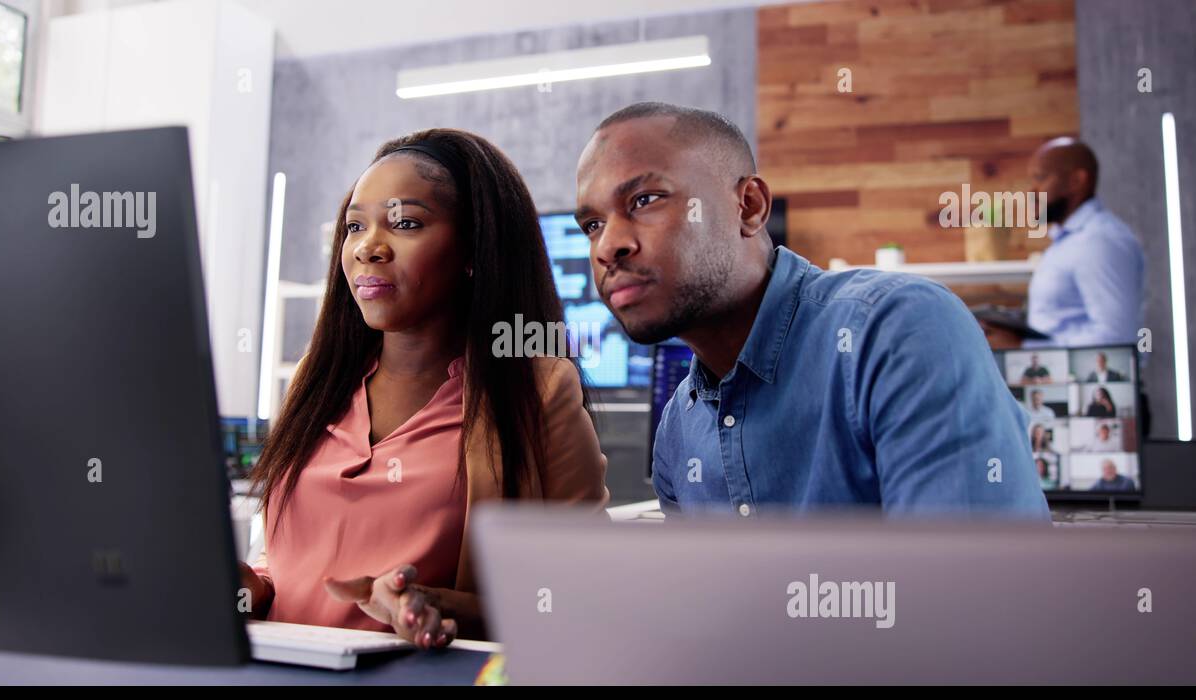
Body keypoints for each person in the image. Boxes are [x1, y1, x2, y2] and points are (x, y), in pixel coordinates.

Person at [574, 101, 1048, 518]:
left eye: (645, 200)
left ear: (749, 206)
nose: (608, 246)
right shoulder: (679, 431)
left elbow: (979, 601)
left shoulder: (897, 332)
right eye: (592, 224)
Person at [240, 129, 609, 648]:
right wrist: (248, 588)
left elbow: (581, 598)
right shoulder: (315, 380)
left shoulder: (538, 391)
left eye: (405, 223)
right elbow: (291, 565)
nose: (368, 247)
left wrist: (435, 607)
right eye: (354, 226)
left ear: (473, 249)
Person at [986, 139, 1144, 349]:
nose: (1032, 191)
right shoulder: (1068, 241)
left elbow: (1117, 338)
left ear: (1076, 181)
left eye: (1041, 178)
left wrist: (1023, 346)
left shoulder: (1099, 242)